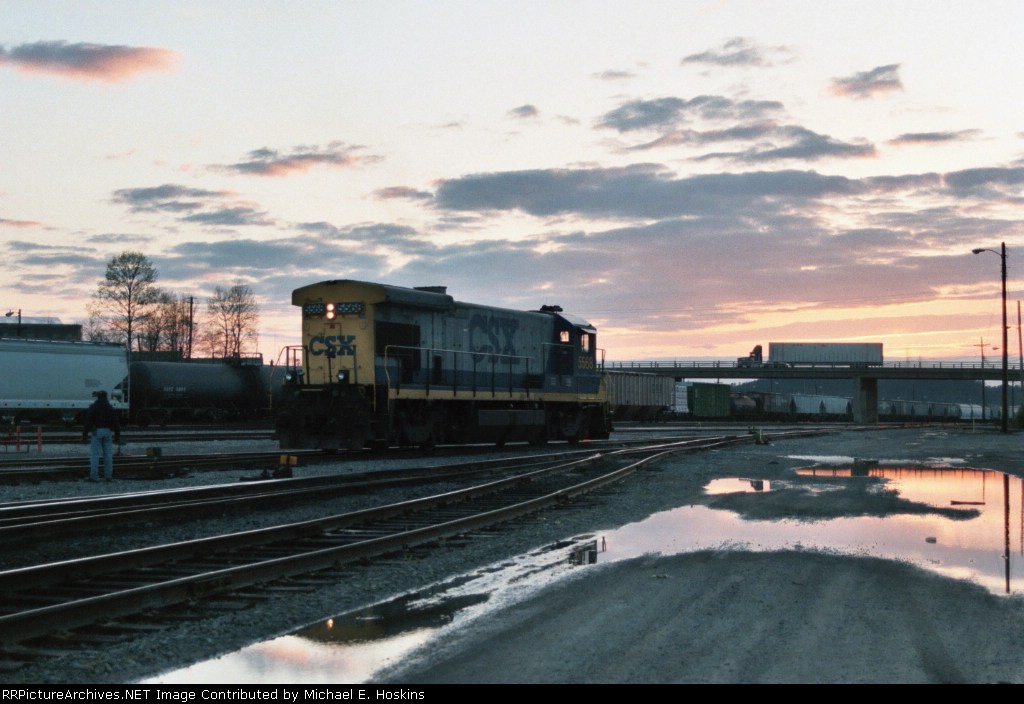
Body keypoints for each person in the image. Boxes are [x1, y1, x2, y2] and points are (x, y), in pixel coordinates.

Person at [83, 390, 121, 482]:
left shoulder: (94, 406)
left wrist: (85, 434)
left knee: (95, 455)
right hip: (108, 431)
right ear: (106, 396)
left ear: (98, 397)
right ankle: (108, 476)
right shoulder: (110, 407)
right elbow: (116, 422)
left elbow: (88, 421)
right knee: (108, 455)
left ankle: (94, 477)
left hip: (96, 431)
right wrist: (117, 435)